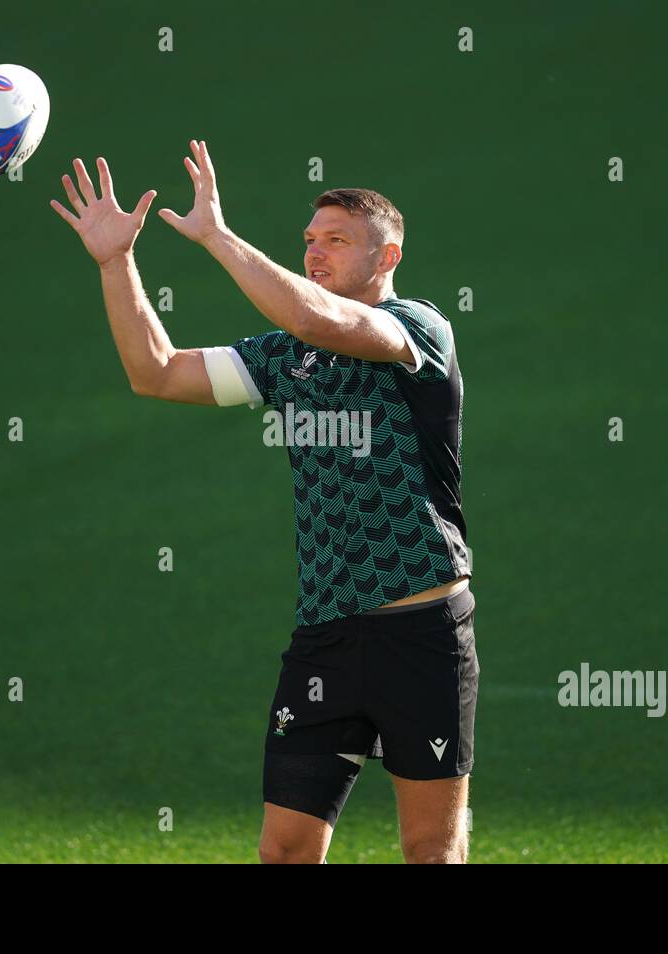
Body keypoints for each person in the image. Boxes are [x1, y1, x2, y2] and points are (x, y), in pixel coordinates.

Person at [50, 140, 477, 863]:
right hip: (325, 637)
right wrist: (115, 262)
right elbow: (155, 372)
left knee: (430, 852)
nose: (316, 253)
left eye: (337, 241)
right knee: (283, 852)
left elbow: (323, 320)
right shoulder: (287, 357)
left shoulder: (420, 331)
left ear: (388, 255)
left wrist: (217, 238)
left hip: (421, 632)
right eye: (310, 241)